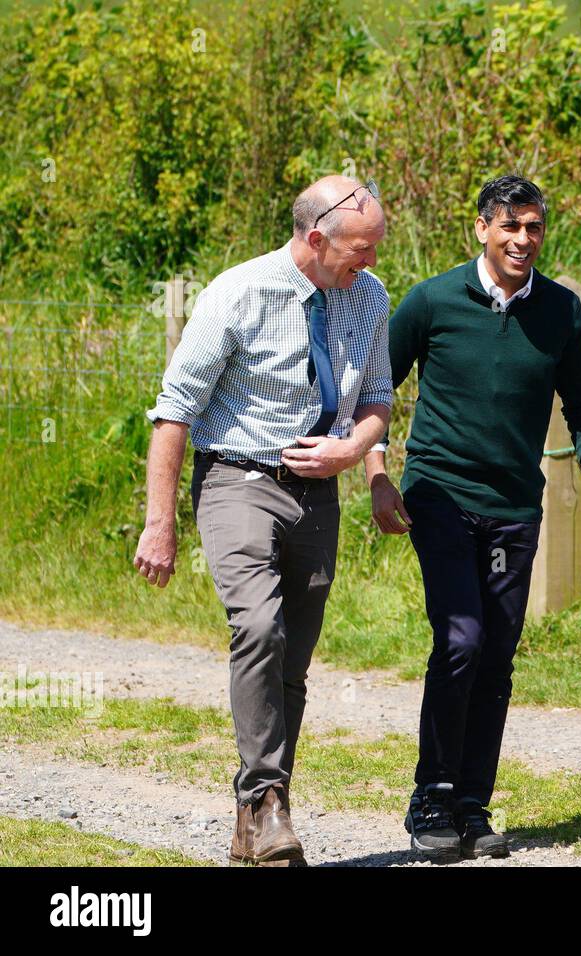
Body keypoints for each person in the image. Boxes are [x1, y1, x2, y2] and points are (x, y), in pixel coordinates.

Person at [368, 174, 581, 862]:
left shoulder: (562, 313)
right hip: (440, 494)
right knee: (459, 638)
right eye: (509, 226)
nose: (522, 239)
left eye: (533, 226)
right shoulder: (432, 301)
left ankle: (472, 806)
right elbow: (371, 396)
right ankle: (431, 795)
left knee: (496, 657)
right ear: (481, 228)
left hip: (516, 505)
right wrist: (377, 478)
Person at [133, 175, 393, 865]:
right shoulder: (236, 294)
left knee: (293, 662)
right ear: (316, 238)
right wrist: (159, 523)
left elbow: (377, 401)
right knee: (257, 625)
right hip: (237, 480)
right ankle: (267, 801)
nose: (369, 262)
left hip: (317, 496)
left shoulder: (369, 299)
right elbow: (174, 411)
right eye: (360, 250)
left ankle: (258, 820)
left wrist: (354, 448)